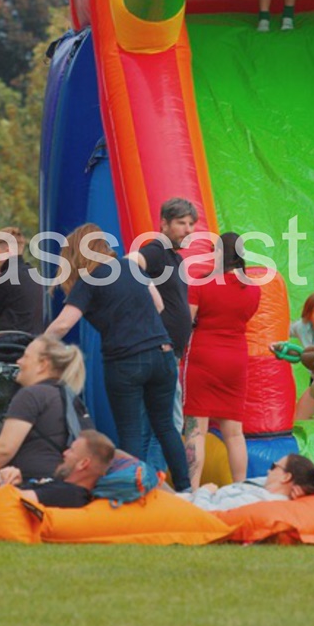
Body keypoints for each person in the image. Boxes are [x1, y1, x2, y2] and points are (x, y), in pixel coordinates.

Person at [46, 223, 191, 491]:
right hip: (162, 354)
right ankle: (186, 489)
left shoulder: (88, 281)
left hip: (126, 360)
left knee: (131, 431)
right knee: (166, 427)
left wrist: (37, 346)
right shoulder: (130, 267)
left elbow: (63, 324)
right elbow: (159, 304)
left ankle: (133, 490)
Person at [0, 334, 92, 489]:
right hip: (58, 488)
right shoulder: (70, 397)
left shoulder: (31, 395)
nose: (19, 361)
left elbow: (4, 449)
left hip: (27, 489)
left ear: (42, 364)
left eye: (26, 357)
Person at [182, 232, 261, 488]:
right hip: (236, 359)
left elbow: (185, 323)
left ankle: (191, 489)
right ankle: (240, 488)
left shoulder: (201, 284)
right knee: (235, 433)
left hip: (203, 358)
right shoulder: (253, 289)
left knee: (195, 431)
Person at [127, 197, 198, 470]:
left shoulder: (175, 258)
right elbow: (129, 264)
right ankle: (152, 484)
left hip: (166, 351)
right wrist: (153, 293)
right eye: (181, 223)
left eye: (191, 224)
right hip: (159, 349)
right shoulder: (156, 249)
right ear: (164, 223)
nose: (188, 229)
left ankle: (139, 482)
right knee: (170, 423)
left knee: (150, 425)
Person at [183, 453, 314, 511]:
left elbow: (203, 514)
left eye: (274, 467)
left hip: (189, 504)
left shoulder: (254, 501)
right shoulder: (266, 489)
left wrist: (204, 491)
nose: (268, 471)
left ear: (286, 477)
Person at [0, 227, 45, 337]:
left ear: (7, 250)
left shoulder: (4, 278)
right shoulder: (35, 274)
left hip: (12, 345)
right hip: (35, 342)